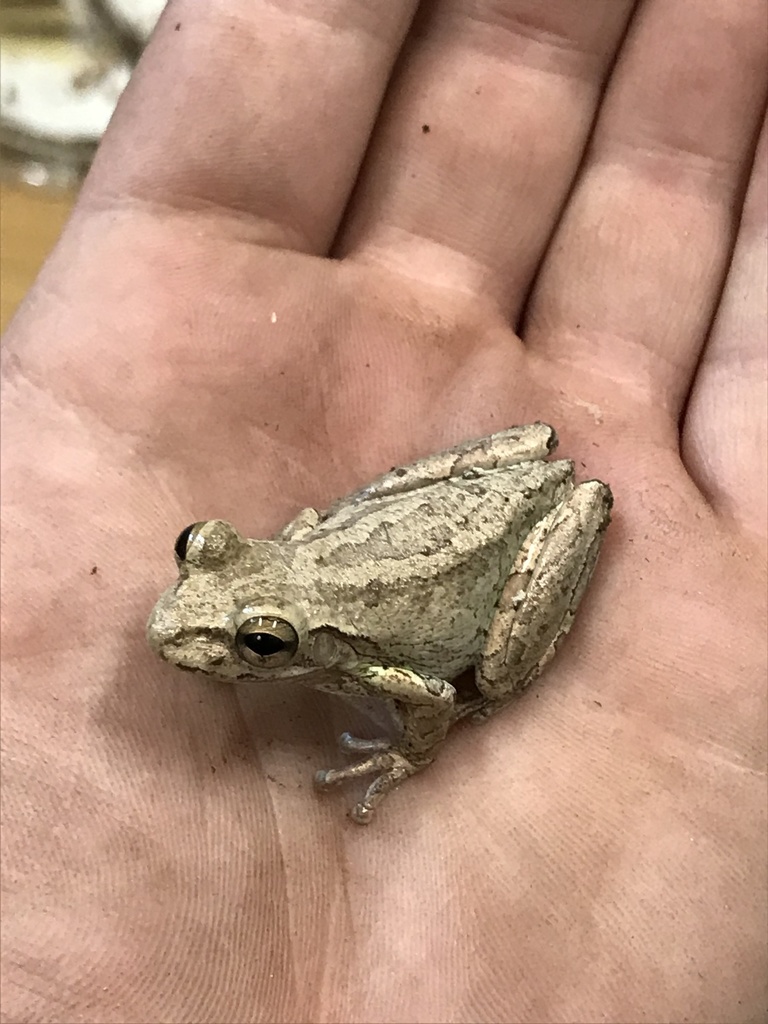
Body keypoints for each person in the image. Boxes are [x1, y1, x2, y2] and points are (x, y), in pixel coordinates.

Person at [2, 2, 765, 1021]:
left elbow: (434, 694)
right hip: (451, 502)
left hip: (498, 537)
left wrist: (411, 749)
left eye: (258, 641)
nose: (188, 623)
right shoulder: (287, 562)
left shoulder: (360, 660)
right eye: (202, 554)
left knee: (489, 672)